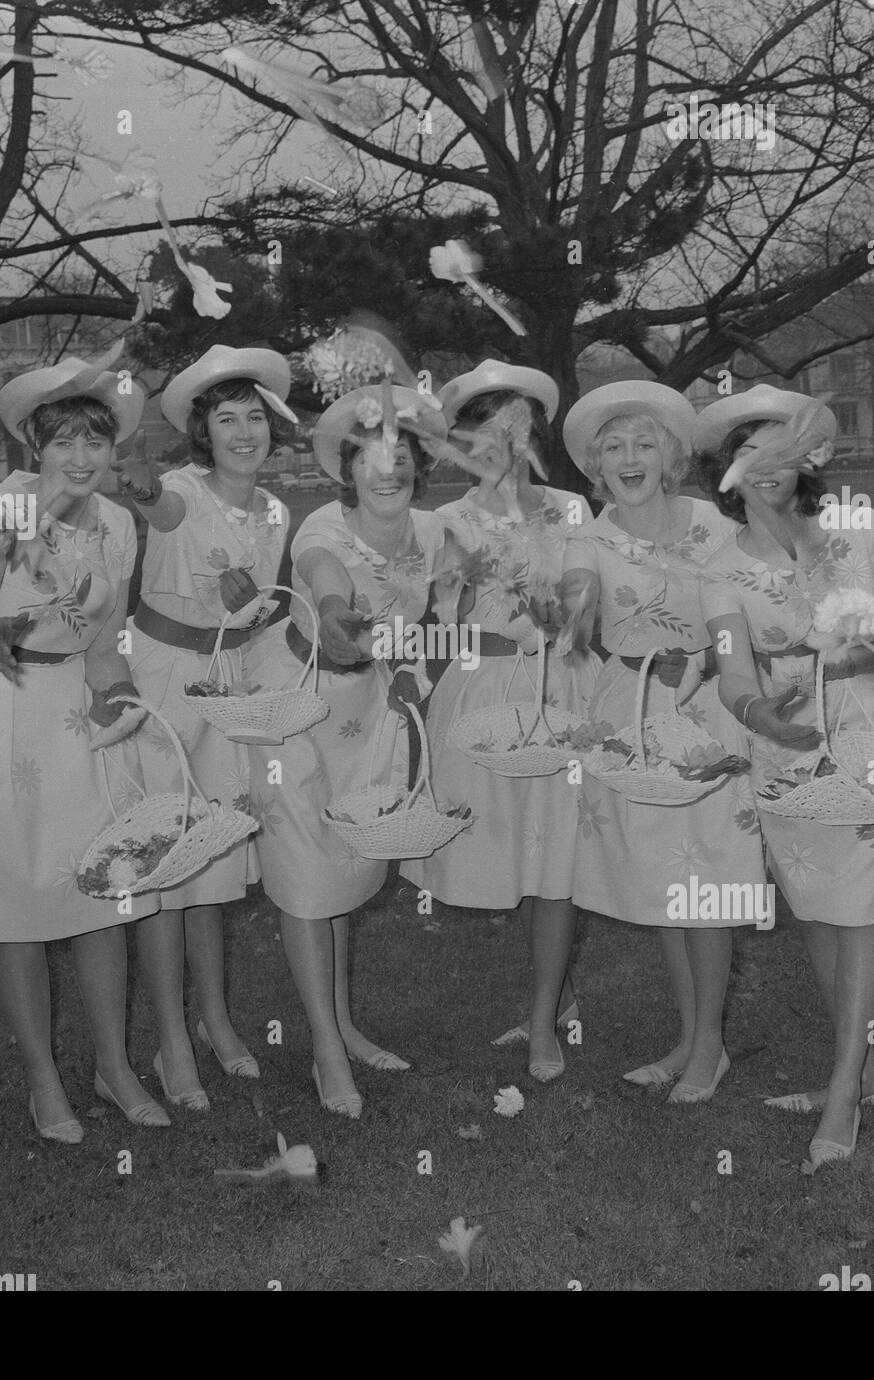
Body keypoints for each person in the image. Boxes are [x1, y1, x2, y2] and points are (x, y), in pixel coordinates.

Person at [0, 358, 169, 1142]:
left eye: (95, 441)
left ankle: (114, 1068)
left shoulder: (118, 522)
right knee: (15, 892)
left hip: (72, 710)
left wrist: (116, 688)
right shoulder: (4, 509)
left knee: (101, 885)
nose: (81, 459)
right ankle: (44, 1080)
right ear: (34, 445)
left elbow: (107, 636)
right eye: (63, 442)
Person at [695, 384, 874, 1167]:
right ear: (728, 467)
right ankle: (863, 1072)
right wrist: (761, 716)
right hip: (788, 741)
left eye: (777, 447)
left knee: (860, 905)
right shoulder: (720, 566)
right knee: (818, 904)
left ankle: (841, 1097)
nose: (762, 464)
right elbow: (735, 675)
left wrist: (845, 657)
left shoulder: (856, 528)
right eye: (746, 449)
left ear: (806, 456)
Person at [244, 385, 449, 1118]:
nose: (385, 473)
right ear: (348, 468)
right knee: (305, 876)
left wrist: (410, 674)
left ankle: (344, 1026)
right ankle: (328, 1051)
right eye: (369, 460)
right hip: (297, 703)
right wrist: (336, 615)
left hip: (366, 709)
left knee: (344, 872)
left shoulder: (434, 533)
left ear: (419, 467)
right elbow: (329, 583)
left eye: (400, 459)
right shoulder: (321, 528)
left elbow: (430, 622)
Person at [559, 382, 765, 1102]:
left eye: (645, 443)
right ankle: (691, 1036)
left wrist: (707, 659)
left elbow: (748, 605)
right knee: (668, 882)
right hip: (634, 711)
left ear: (671, 455)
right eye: (613, 447)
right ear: (595, 466)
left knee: (707, 879)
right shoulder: (588, 535)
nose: (630, 457)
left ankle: (709, 1046)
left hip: (712, 708)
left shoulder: (712, 523)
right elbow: (575, 603)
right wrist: (562, 607)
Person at [399, 361, 601, 1081]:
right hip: (481, 692)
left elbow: (587, 606)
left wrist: (561, 619)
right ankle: (561, 996)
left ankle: (544, 1020)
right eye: (482, 431)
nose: (499, 443)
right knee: (518, 848)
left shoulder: (571, 512)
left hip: (560, 689)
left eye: (513, 428)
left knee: (557, 863)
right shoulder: (445, 521)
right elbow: (435, 617)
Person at [112, 344, 296, 1109]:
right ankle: (170, 1041)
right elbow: (153, 501)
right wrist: (136, 464)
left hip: (225, 685)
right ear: (203, 430)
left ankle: (216, 1019)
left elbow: (257, 615)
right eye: (227, 418)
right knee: (164, 862)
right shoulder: (182, 491)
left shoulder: (277, 512)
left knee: (213, 864)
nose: (244, 431)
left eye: (255, 416)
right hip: (161, 682)